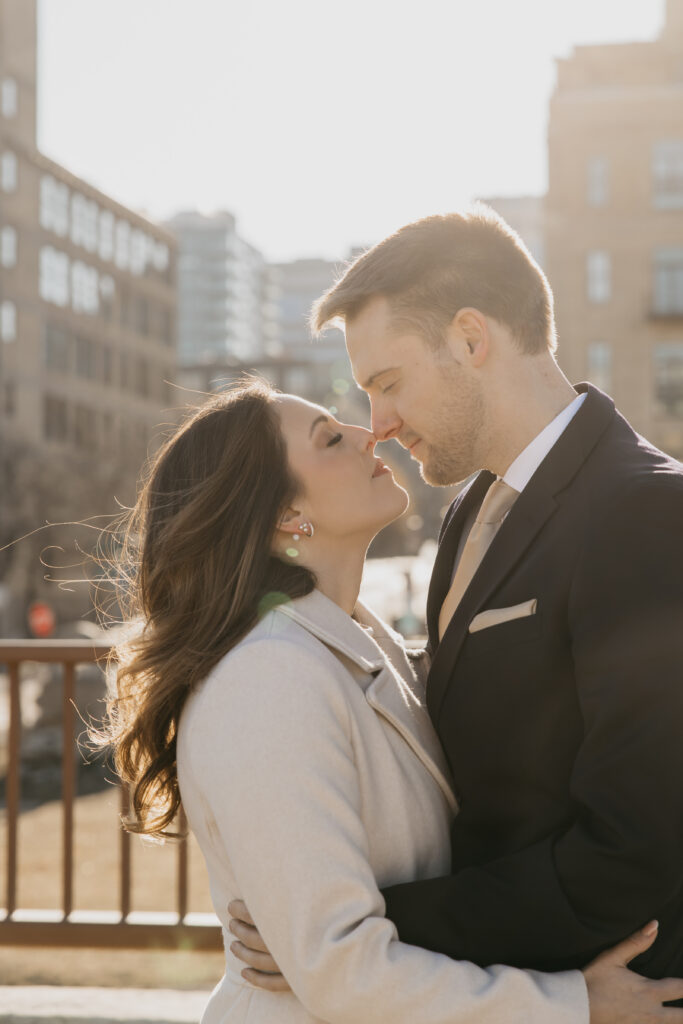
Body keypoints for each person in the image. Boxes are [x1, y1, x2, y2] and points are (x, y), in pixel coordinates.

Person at [102, 379, 682, 1024]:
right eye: (330, 437)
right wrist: (575, 1006)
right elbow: (343, 968)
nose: (365, 432)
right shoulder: (267, 680)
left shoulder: (359, 645)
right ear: (284, 515)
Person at [228, 209, 683, 1002]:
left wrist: (370, 931)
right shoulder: (470, 510)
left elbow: (632, 847)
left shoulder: (647, 513)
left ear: (471, 339)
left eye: (387, 383)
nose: (378, 426)